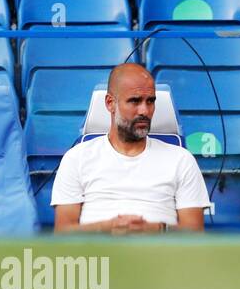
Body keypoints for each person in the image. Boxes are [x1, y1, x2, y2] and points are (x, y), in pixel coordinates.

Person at [51, 63, 208, 234]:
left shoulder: (181, 159)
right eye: (135, 101)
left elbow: (195, 234)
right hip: (99, 257)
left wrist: (156, 230)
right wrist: (107, 228)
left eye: (150, 101)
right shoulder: (77, 158)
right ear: (110, 103)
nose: (145, 111)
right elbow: (63, 233)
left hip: (160, 256)